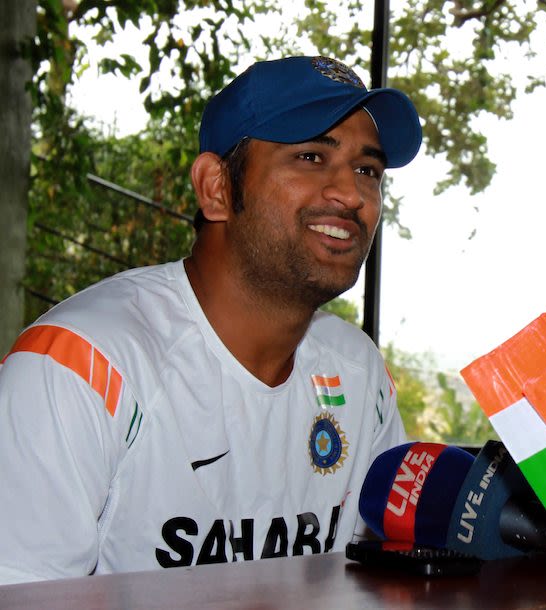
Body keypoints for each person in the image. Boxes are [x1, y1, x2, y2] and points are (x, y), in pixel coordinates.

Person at [0, 55, 422, 584]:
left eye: (368, 170)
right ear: (217, 188)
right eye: (312, 156)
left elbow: (388, 576)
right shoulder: (81, 366)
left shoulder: (358, 374)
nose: (352, 194)